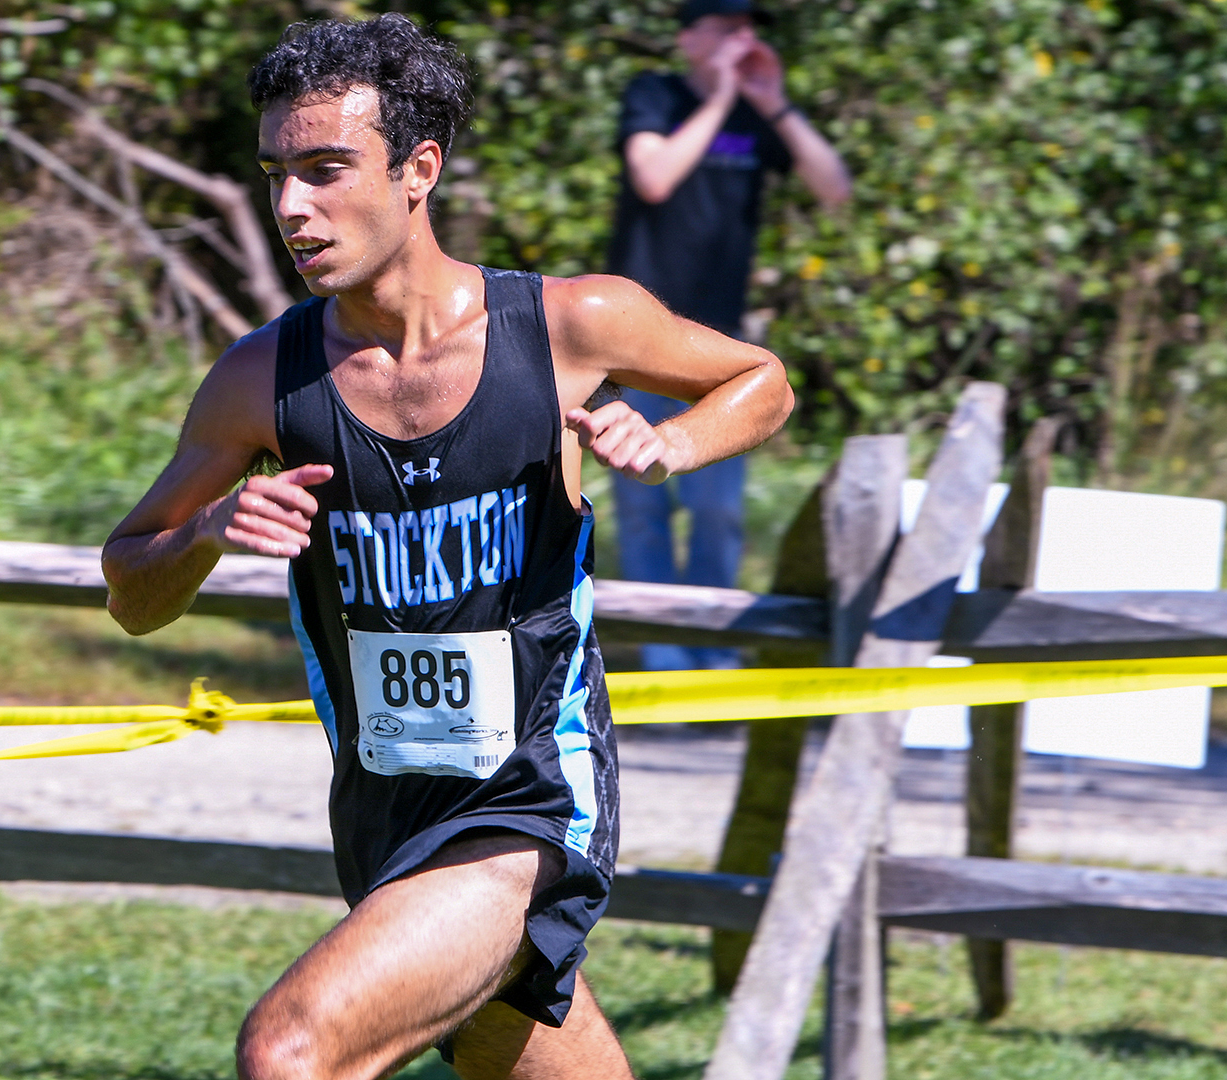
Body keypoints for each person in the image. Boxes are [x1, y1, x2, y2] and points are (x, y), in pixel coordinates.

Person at [102, 15, 791, 1080]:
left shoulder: (568, 326)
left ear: (418, 169)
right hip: (387, 816)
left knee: (293, 1050)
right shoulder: (261, 381)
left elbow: (761, 379)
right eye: (278, 174)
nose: (292, 207)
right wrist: (205, 533)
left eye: (328, 170)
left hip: (530, 803)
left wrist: (670, 442)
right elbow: (132, 591)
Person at [606, 0, 850, 670]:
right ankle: (666, 667)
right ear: (688, 37)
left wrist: (772, 102)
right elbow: (652, 178)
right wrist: (715, 101)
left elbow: (834, 187)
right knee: (645, 503)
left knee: (717, 511)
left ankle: (714, 665)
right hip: (637, 339)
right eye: (725, 27)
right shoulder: (654, 94)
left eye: (748, 29)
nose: (741, 39)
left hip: (720, 351)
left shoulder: (756, 114)